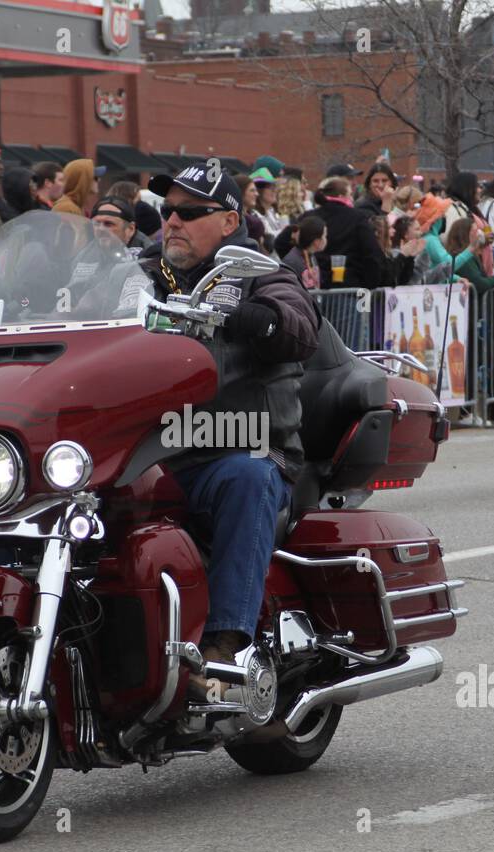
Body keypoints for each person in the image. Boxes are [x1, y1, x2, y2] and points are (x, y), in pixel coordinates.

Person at [135, 163, 318, 705]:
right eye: (167, 211)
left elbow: (300, 322)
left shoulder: (260, 272)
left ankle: (224, 646)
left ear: (230, 220)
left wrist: (256, 318)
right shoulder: (140, 274)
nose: (172, 222)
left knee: (247, 476)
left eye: (189, 213)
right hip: (147, 449)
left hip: (233, 446)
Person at [312, 175, 385, 289]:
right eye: (350, 194)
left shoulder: (308, 217)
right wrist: (369, 284)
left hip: (314, 286)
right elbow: (371, 251)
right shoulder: (357, 218)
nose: (352, 198)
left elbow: (283, 243)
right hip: (349, 286)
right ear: (341, 196)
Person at [281, 214, 326, 289]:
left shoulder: (310, 255)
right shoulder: (293, 262)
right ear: (316, 242)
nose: (326, 239)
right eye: (324, 236)